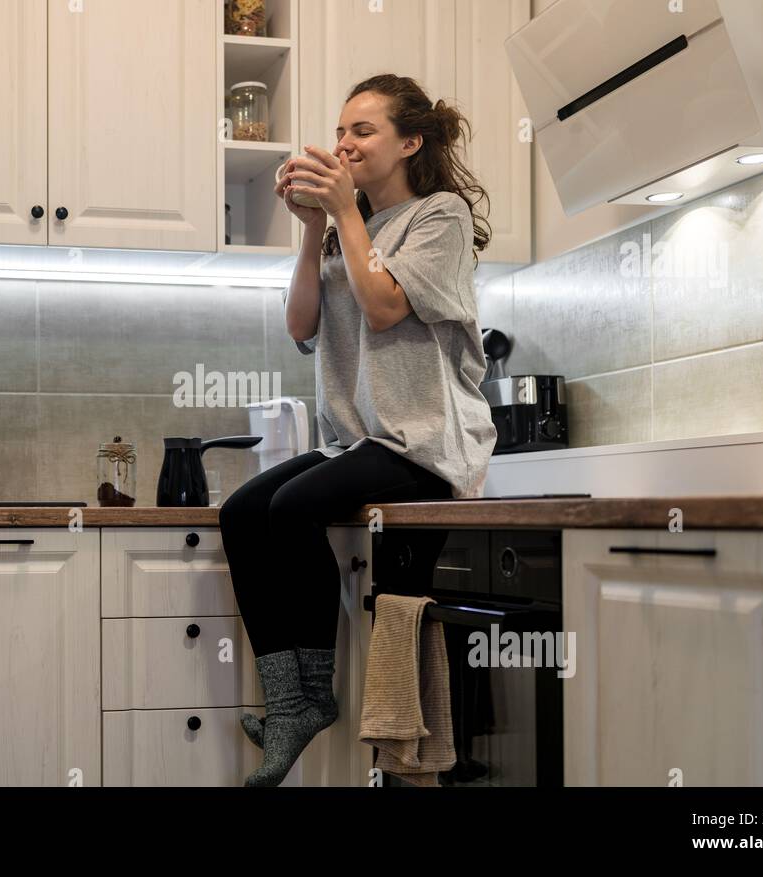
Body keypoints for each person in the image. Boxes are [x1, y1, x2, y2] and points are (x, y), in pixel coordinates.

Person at [219, 73, 498, 787]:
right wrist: (314, 228)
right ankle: (291, 700)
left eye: (362, 131)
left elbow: (382, 308)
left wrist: (342, 212)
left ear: (410, 142)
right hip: (358, 439)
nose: (344, 143)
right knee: (243, 510)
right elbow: (301, 324)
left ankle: (312, 697)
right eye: (340, 131)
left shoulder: (440, 217)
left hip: (425, 441)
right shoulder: (345, 228)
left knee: (293, 506)